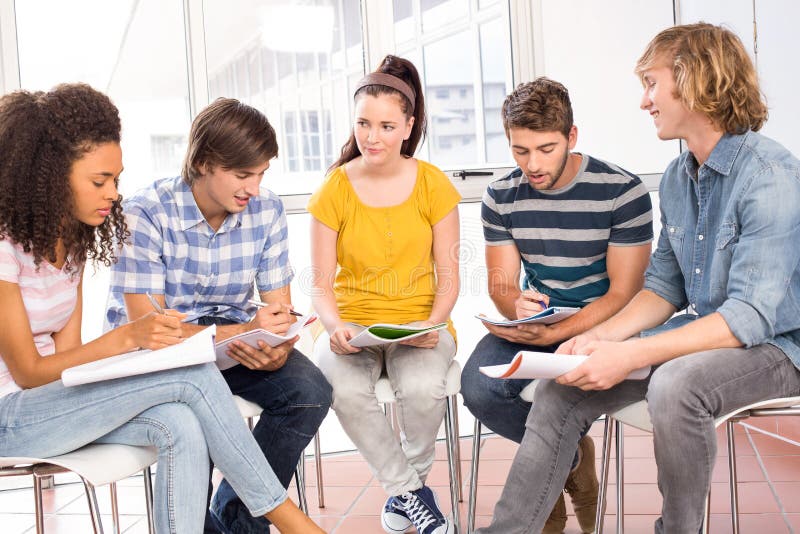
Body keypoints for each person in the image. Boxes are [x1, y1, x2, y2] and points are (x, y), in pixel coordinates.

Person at [476, 22, 800, 534]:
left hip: (778, 347)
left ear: (696, 81)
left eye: (651, 83)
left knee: (675, 383)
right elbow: (664, 289)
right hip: (708, 332)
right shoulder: (678, 175)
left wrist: (629, 353)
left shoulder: (771, 175)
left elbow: (749, 317)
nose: (644, 101)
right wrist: (595, 338)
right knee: (564, 384)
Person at [0, 83, 324, 534]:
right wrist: (129, 339)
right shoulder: (4, 249)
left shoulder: (70, 246)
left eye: (115, 179)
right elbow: (32, 372)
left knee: (181, 425)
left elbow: (65, 364)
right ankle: (288, 519)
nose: (114, 193)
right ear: (51, 176)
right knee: (190, 374)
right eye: (100, 181)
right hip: (9, 416)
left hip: (53, 409)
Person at [105, 98, 332, 532]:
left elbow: (277, 308)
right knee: (193, 423)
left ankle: (238, 517)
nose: (254, 187)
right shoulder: (145, 212)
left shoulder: (267, 211)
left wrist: (278, 345)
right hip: (156, 356)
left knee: (309, 390)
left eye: (262, 173)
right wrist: (247, 329)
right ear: (205, 163)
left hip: (231, 347)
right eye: (243, 174)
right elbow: (152, 332)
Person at [460, 77, 653, 533]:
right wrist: (516, 307)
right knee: (478, 387)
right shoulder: (501, 195)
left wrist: (560, 333)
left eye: (546, 149)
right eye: (520, 151)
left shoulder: (621, 191)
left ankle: (545, 483)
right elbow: (502, 285)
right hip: (543, 324)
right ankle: (568, 464)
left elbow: (624, 294)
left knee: (553, 396)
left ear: (571, 137)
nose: (533, 164)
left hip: (607, 327)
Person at [308, 55, 460, 534]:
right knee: (342, 388)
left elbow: (450, 278)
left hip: (420, 324)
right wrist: (335, 328)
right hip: (351, 325)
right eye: (363, 124)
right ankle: (411, 494)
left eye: (387, 125)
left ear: (409, 126)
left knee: (422, 387)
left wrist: (430, 324)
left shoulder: (433, 184)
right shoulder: (334, 187)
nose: (372, 137)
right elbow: (318, 283)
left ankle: (403, 496)